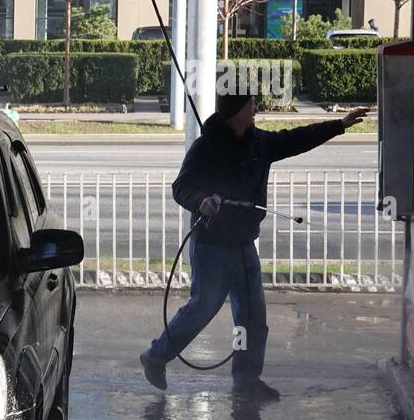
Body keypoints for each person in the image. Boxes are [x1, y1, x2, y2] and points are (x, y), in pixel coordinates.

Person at [140, 91, 371, 401]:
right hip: (211, 246)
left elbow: (297, 139)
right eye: (250, 106)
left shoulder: (259, 143)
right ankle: (156, 356)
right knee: (202, 308)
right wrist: (201, 203)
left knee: (252, 317)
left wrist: (339, 125)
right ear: (235, 112)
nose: (255, 110)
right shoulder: (206, 147)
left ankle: (246, 380)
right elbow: (181, 187)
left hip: (244, 244)